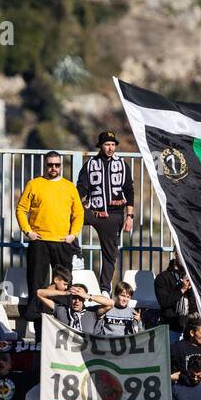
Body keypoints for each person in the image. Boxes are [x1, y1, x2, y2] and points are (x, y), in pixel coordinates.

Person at [16, 150, 84, 328]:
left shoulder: (69, 187)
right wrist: (28, 231)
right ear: (45, 165)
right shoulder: (34, 184)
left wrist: (73, 234)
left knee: (63, 281)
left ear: (61, 166)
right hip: (39, 239)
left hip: (62, 241)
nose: (53, 168)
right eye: (50, 165)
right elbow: (21, 209)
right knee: (36, 278)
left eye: (57, 165)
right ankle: (34, 314)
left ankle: (63, 310)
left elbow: (79, 213)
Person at [77, 131, 134, 291]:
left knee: (110, 254)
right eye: (107, 144)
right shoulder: (90, 164)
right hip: (93, 211)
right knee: (66, 221)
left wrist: (129, 216)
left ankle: (104, 288)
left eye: (112, 144)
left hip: (114, 215)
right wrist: (75, 205)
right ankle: (75, 255)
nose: (110, 148)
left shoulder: (123, 165)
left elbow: (129, 191)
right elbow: (81, 188)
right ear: (100, 146)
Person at [154, 253, 196, 340]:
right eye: (182, 253)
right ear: (175, 255)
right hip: (171, 327)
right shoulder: (162, 277)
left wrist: (190, 289)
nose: (185, 256)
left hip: (191, 328)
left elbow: (197, 303)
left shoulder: (193, 276)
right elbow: (164, 301)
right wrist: (182, 290)